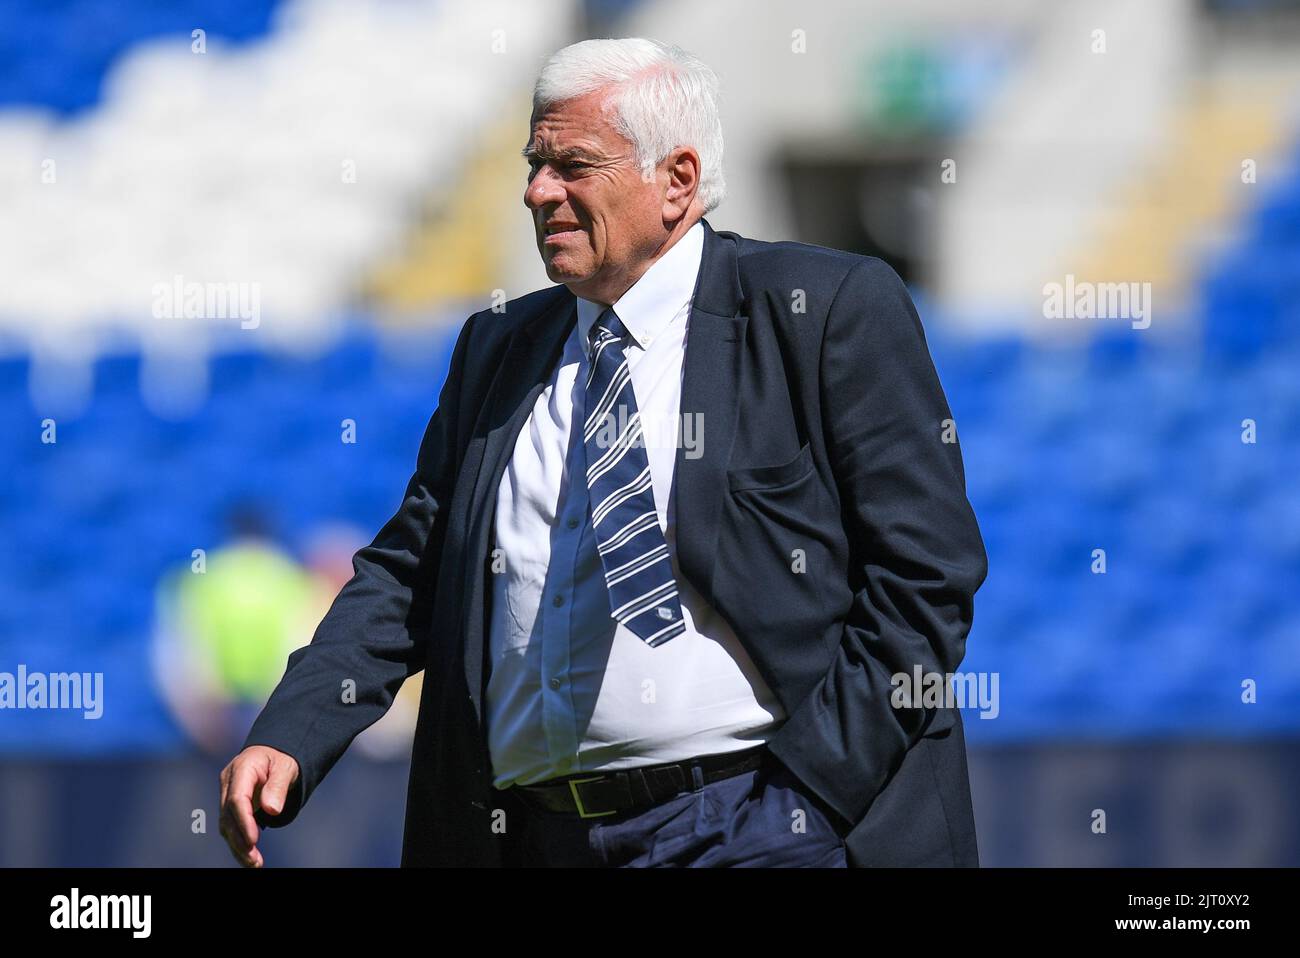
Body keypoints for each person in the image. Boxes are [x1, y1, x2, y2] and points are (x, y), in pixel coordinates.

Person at [219, 37, 988, 868]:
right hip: (533, 837)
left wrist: (806, 797)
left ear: (678, 180)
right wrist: (292, 731)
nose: (537, 190)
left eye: (573, 165)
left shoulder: (821, 310)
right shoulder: (497, 348)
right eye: (534, 164)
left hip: (758, 824)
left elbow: (926, 576)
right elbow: (412, 571)